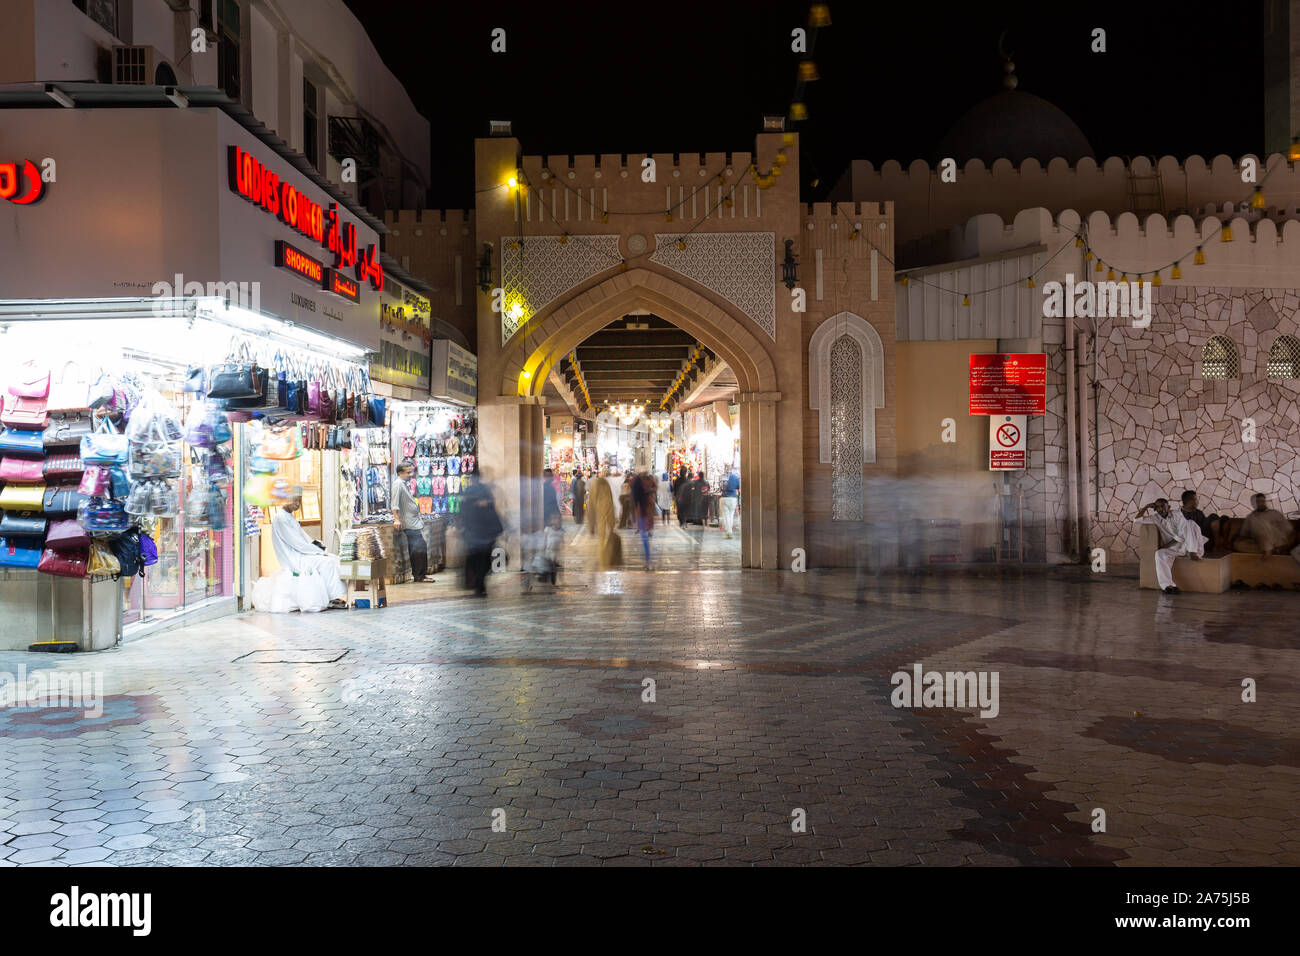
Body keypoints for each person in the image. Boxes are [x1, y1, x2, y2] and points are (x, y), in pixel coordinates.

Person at [270, 485, 347, 609]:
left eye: (299, 500)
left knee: (333, 558)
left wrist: (318, 545)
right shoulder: (281, 518)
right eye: (295, 500)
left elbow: (304, 539)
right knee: (326, 563)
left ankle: (334, 596)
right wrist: (317, 550)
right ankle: (332, 598)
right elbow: (297, 543)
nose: (297, 503)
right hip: (295, 558)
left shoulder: (289, 517)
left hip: (302, 553)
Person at [1136, 497, 1207, 594]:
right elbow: (1136, 520)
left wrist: (1166, 545)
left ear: (1168, 507)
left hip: (1189, 544)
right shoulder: (1155, 518)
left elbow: (1182, 535)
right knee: (1159, 554)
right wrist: (1146, 506)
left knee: (1191, 523)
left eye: (1162, 506)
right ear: (1155, 509)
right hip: (1175, 548)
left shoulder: (1177, 514)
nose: (1160, 509)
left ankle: (1193, 552)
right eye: (1157, 507)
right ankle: (1168, 586)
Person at [460, 474, 503, 597]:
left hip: (483, 532)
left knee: (483, 560)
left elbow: (491, 508)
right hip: (476, 532)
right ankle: (479, 584)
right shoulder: (471, 492)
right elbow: (464, 509)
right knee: (479, 560)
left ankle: (479, 583)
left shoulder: (483, 491)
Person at [392, 460, 433, 583]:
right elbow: (394, 503)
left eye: (411, 472)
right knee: (419, 548)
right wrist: (396, 519)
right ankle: (420, 576)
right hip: (409, 523)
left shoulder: (404, 483)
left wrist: (418, 516)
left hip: (413, 521)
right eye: (407, 472)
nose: (410, 474)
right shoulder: (398, 484)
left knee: (417, 548)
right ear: (400, 473)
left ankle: (419, 575)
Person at [1231, 492, 1296, 559]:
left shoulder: (1274, 513)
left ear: (1265, 502)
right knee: (1238, 544)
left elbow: (1288, 527)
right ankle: (1269, 550)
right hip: (1258, 540)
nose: (1260, 503)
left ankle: (1269, 549)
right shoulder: (1251, 517)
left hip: (1275, 539)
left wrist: (1275, 531)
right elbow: (1244, 533)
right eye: (1258, 501)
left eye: (1262, 501)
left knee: (1263, 523)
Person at [585, 467, 622, 569]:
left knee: (602, 540)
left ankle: (603, 563)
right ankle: (605, 562)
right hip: (605, 517)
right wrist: (611, 522)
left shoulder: (596, 485)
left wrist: (591, 524)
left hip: (600, 518)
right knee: (604, 540)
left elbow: (591, 505)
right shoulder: (605, 484)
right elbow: (609, 502)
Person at [632, 469, 658, 570]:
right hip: (645, 513)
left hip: (643, 513)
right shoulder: (647, 484)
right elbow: (655, 488)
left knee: (644, 538)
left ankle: (648, 561)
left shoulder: (638, 483)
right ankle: (648, 561)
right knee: (645, 538)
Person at [719, 465, 740, 539]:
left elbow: (719, 487)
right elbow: (738, 486)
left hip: (724, 498)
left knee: (726, 515)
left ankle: (729, 532)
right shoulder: (735, 477)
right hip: (732, 498)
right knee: (731, 515)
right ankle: (729, 531)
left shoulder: (721, 477)